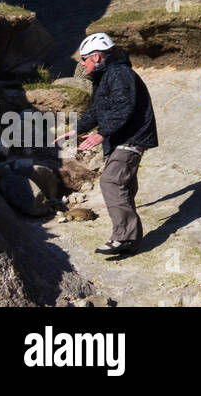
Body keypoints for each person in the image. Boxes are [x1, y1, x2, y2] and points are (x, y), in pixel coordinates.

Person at [54, 32, 158, 256]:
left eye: (85, 59)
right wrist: (76, 130)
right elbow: (97, 111)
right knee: (125, 187)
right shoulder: (106, 77)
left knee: (111, 181)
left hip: (131, 138)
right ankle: (131, 241)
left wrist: (102, 134)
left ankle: (124, 237)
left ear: (97, 57)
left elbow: (123, 107)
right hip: (123, 139)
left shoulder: (119, 74)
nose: (82, 63)